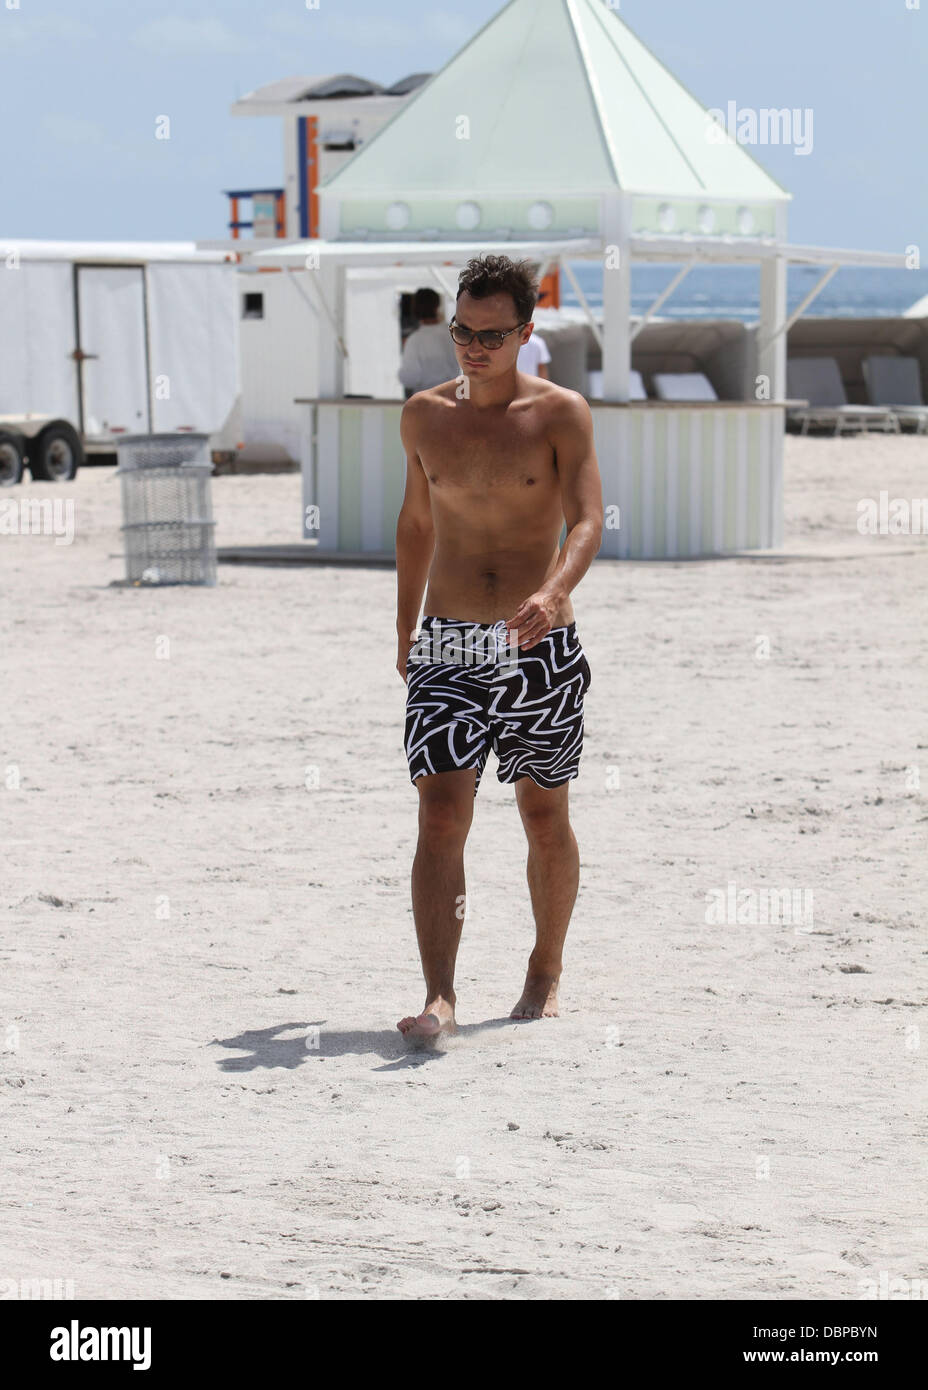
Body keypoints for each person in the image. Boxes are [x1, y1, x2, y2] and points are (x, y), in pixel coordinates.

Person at [395, 254, 604, 1039]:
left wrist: (554, 590)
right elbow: (416, 523)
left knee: (542, 813)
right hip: (449, 643)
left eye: (491, 334)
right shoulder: (422, 416)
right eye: (462, 331)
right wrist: (403, 624)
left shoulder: (560, 414)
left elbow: (588, 519)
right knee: (442, 815)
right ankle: (440, 996)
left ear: (525, 331)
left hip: (539, 644)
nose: (473, 347)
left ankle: (544, 969)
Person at [398, 287, 461, 399]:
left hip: (427, 402)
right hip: (454, 397)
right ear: (437, 306)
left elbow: (410, 378)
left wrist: (399, 374)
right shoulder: (454, 333)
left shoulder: (414, 340)